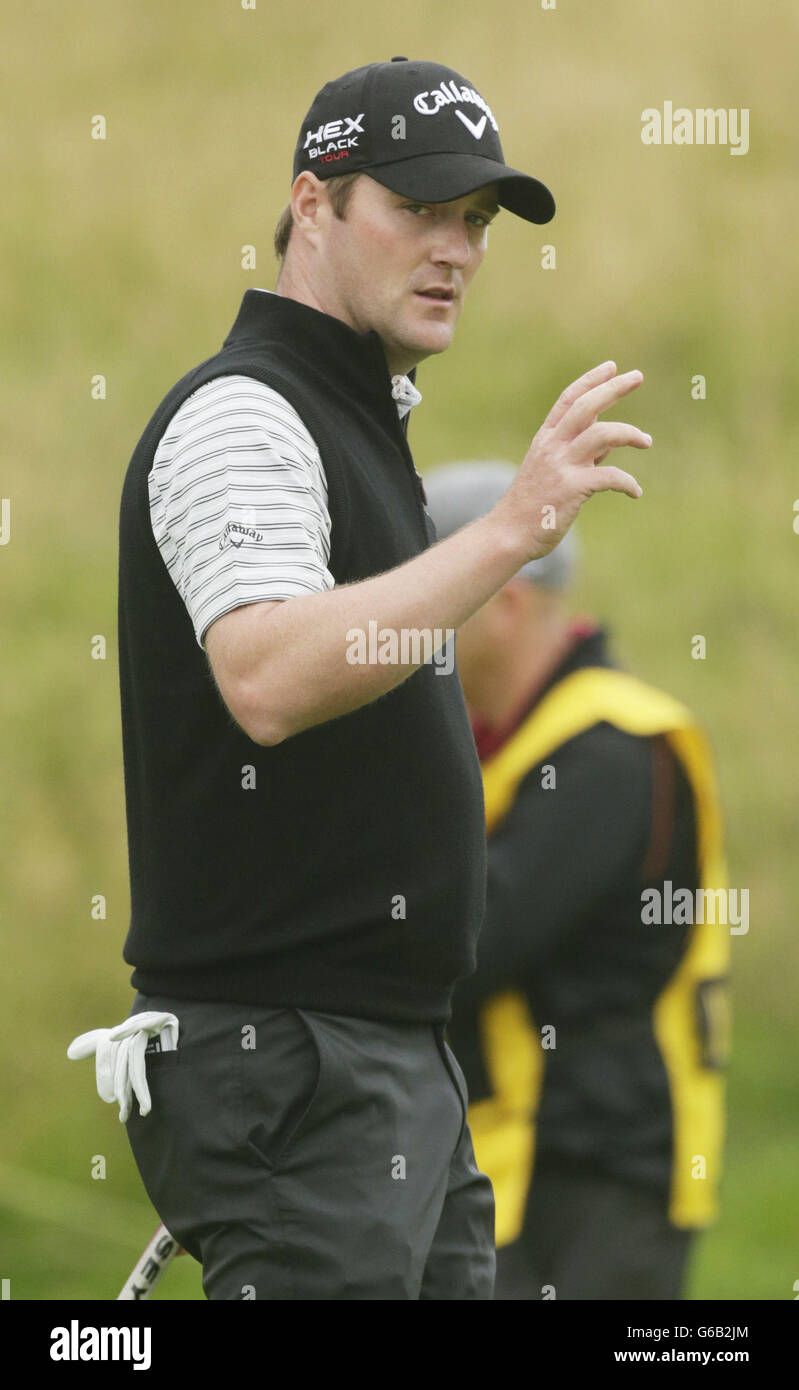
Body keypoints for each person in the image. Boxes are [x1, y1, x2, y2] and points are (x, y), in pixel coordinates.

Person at [73, 58, 653, 1300]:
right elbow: (267, 674)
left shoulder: (352, 420)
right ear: (314, 204)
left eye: (476, 222)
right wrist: (508, 534)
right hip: (294, 1059)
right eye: (419, 209)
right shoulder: (244, 414)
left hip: (378, 1060)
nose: (456, 249)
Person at [424, 461, 730, 1301]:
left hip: (597, 1174)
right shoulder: (513, 750)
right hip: (518, 1159)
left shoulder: (609, 751)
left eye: (436, 600)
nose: (407, 629)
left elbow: (468, 945)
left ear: (506, 606)